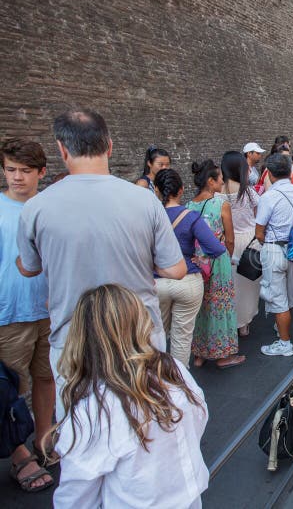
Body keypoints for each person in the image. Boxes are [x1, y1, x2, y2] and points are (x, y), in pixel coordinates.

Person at [16, 109, 186, 421]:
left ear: (62, 150)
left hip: (74, 340)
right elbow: (175, 269)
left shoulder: (36, 208)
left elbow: (28, 267)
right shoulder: (145, 200)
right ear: (109, 146)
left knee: (80, 430)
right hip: (139, 336)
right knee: (146, 423)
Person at [53, 284, 208, 507]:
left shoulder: (95, 411)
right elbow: (199, 415)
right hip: (187, 497)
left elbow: (75, 498)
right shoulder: (172, 369)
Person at [1, 139, 55, 492]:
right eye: (10, 170)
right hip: (9, 313)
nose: (17, 177)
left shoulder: (51, 208)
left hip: (49, 309)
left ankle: (43, 439)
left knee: (46, 379)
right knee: (10, 390)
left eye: (24, 170)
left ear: (41, 172)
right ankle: (19, 454)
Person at [154, 169, 226, 368]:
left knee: (157, 336)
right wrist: (199, 258)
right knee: (182, 338)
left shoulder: (149, 217)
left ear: (157, 190)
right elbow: (216, 249)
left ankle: (155, 378)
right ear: (181, 190)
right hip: (187, 279)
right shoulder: (191, 217)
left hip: (157, 281)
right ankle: (179, 380)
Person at [186, 159, 245, 369]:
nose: (222, 182)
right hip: (218, 261)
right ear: (210, 181)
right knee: (221, 306)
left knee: (200, 307)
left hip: (197, 262)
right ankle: (223, 355)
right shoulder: (221, 204)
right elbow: (230, 239)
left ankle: (199, 354)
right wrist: (227, 257)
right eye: (219, 178)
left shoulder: (189, 205)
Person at [256, 153, 293, 357]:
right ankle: (282, 329)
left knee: (277, 299)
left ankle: (285, 343)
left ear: (269, 174)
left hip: (275, 249)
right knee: (290, 294)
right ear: (289, 172)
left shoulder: (268, 197)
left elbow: (259, 232)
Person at [218, 151, 260, 336]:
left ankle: (228, 322)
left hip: (226, 240)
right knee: (249, 285)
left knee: (228, 284)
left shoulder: (218, 193)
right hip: (249, 241)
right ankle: (244, 323)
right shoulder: (248, 191)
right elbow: (258, 215)